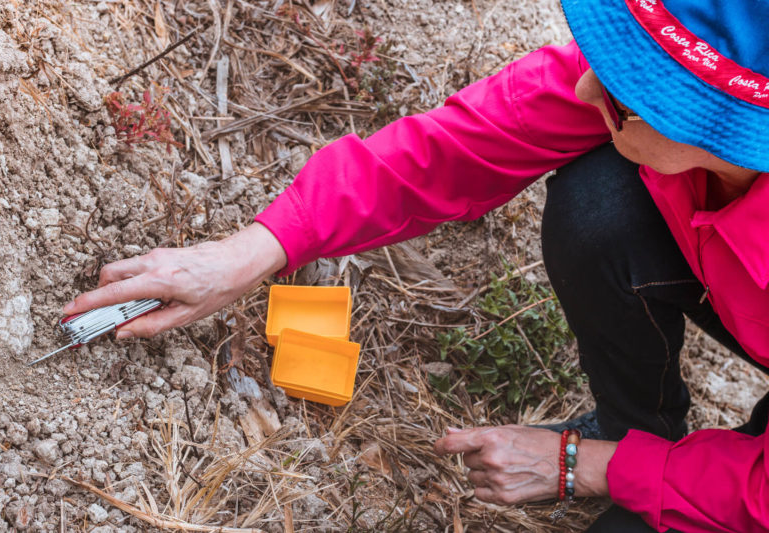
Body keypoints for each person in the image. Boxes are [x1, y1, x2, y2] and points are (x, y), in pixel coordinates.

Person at [64, 0, 769, 530]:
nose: (589, 93)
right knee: (599, 203)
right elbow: (450, 151)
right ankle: (639, 426)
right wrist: (249, 252)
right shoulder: (631, 100)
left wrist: (588, 468)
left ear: (715, 128)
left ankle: (645, 465)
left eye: (627, 93)